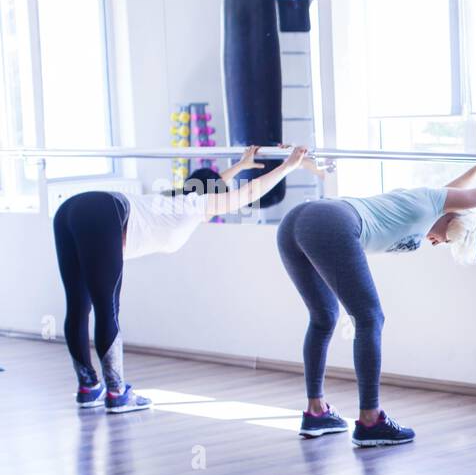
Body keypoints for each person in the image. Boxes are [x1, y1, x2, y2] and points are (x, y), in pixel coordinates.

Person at [277, 146, 476, 447]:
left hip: (296, 223)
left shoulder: (427, 207)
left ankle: (316, 412)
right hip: (329, 221)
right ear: (452, 220)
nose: (437, 242)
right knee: (369, 318)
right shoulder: (430, 203)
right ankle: (370, 420)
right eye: (446, 239)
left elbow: (451, 189)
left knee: (324, 317)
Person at [55, 145, 313, 414]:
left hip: (71, 209)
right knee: (107, 309)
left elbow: (208, 184)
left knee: (77, 306)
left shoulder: (173, 199)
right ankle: (117, 393)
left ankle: (88, 387)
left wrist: (240, 165)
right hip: (104, 212)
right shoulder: (194, 205)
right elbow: (246, 193)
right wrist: (288, 167)